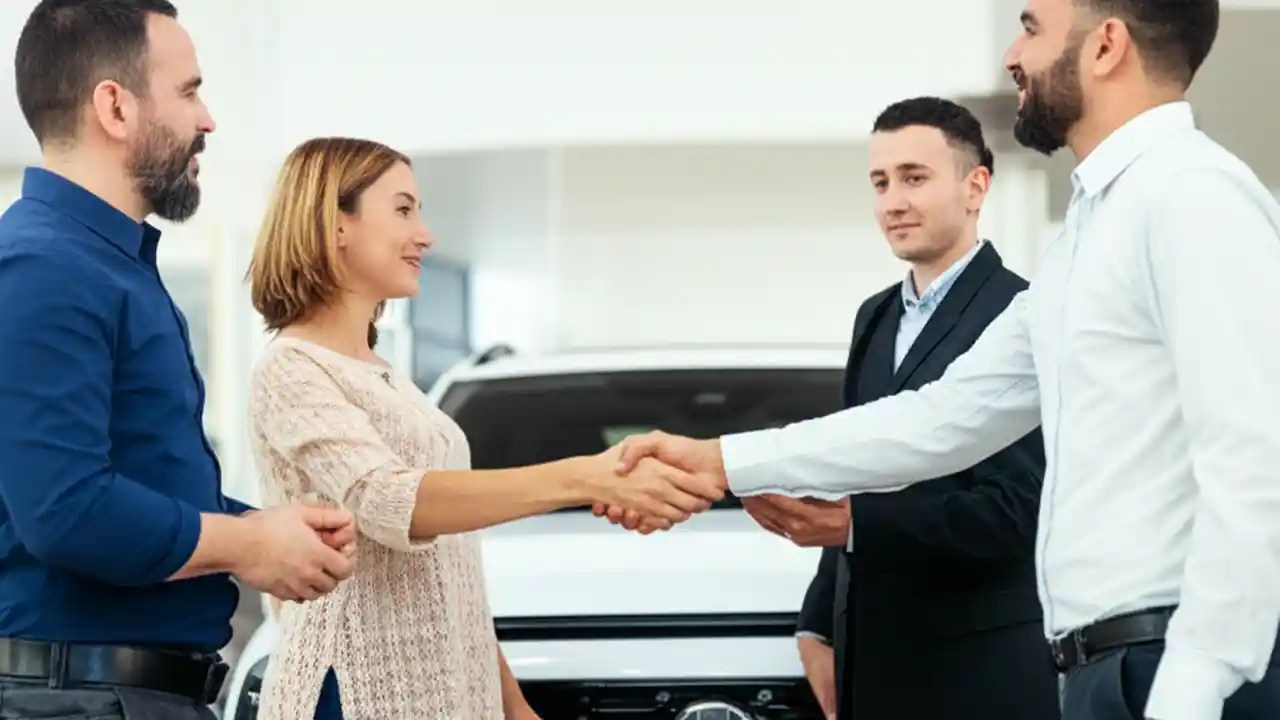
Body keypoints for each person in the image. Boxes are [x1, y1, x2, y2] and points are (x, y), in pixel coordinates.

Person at [610, 1, 1280, 719]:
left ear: (1106, 45)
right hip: (1105, 671)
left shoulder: (1192, 196)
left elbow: (1256, 458)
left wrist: (1198, 680)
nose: (1011, 58)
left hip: (1176, 673)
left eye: (1030, 28)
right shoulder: (1091, 232)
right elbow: (944, 416)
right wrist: (720, 460)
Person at [244, 136, 724, 720]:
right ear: (335, 223)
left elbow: (451, 575)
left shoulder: (387, 379)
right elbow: (390, 500)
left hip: (451, 697)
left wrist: (514, 706)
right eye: (403, 209)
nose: (425, 234)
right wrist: (585, 479)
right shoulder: (291, 368)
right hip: (353, 691)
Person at [0, 2, 358, 719]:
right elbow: (65, 510)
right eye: (190, 90)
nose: (208, 119)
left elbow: (143, 487)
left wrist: (274, 534)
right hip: (81, 701)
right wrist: (246, 543)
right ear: (115, 106)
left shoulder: (110, 266)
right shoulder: (45, 266)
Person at [782, 96, 1059, 720]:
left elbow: (1016, 511)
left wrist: (857, 525)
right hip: (871, 664)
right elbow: (851, 471)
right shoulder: (875, 317)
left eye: (914, 178)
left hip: (978, 668)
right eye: (880, 182)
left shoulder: (1022, 316)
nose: (892, 202)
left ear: (975, 186)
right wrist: (818, 621)